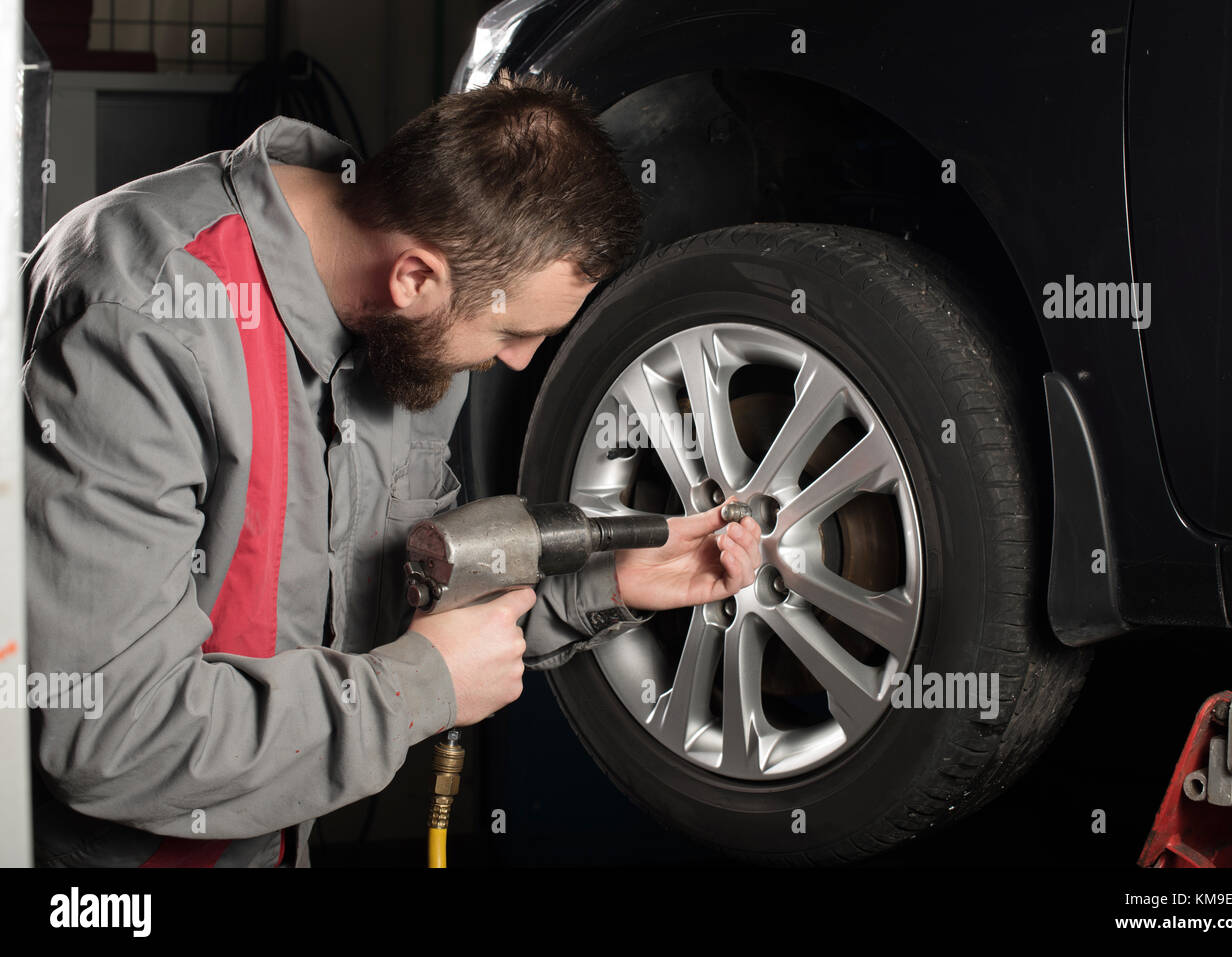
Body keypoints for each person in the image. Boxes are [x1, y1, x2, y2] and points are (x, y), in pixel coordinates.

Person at [21, 68, 762, 867]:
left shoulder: (406, 335)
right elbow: (111, 736)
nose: (519, 361)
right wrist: (419, 687)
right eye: (512, 333)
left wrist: (607, 582)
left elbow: (410, 593)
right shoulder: (141, 319)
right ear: (414, 276)